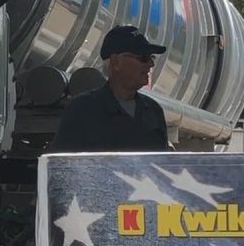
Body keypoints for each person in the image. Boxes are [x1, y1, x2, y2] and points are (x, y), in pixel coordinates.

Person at [48, 25, 172, 153]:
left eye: (151, 58)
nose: (150, 64)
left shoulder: (153, 111)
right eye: (143, 58)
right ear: (115, 62)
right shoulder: (82, 109)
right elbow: (63, 166)